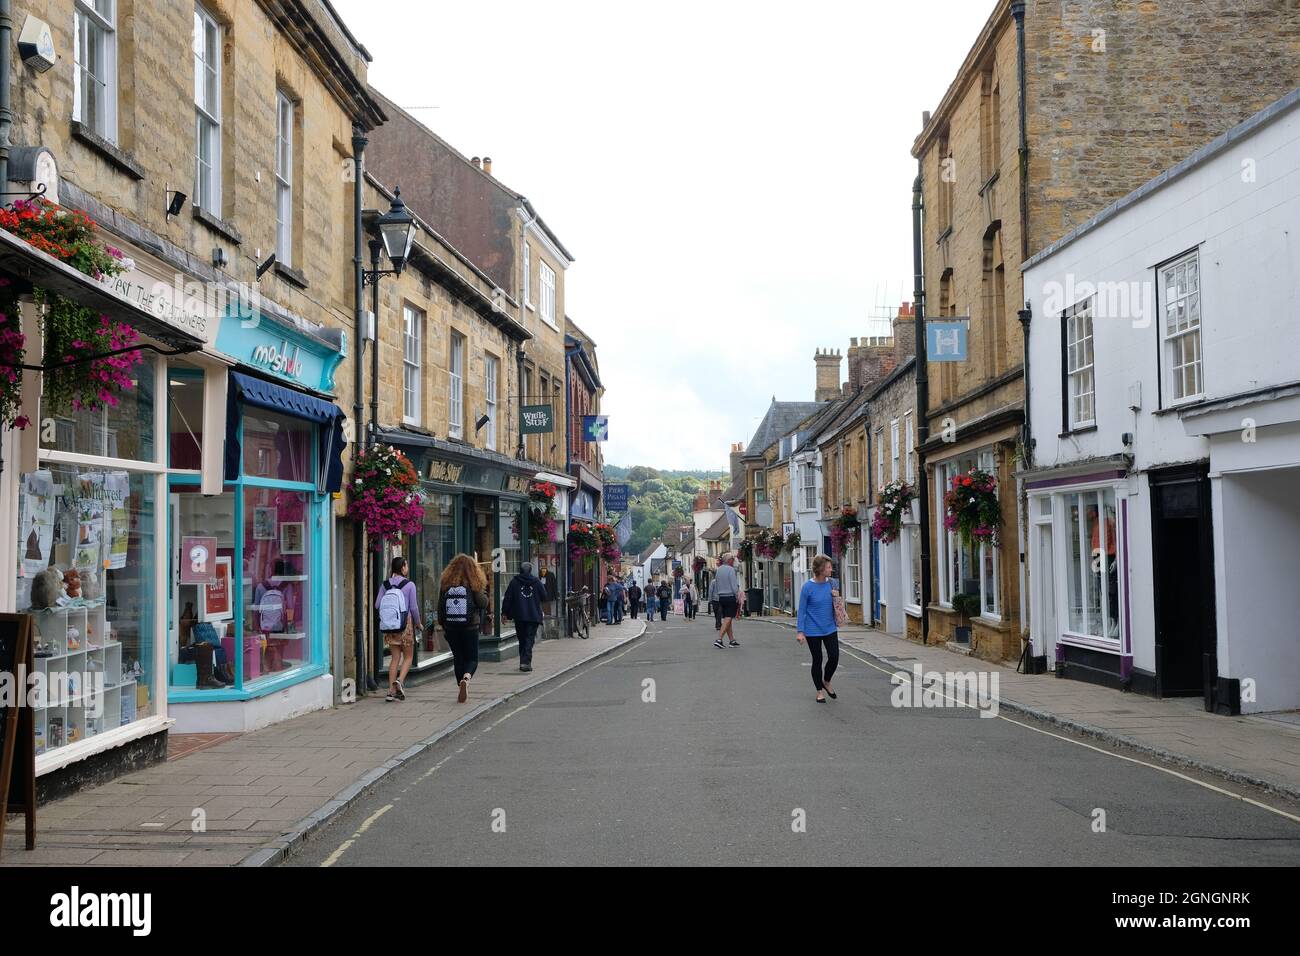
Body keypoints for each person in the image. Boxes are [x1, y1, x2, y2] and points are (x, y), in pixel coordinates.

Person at [437, 554, 491, 703]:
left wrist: (443, 625)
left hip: (451, 626)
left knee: (458, 657)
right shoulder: (473, 583)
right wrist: (484, 592)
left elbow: (440, 607)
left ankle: (460, 683)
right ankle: (466, 678)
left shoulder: (446, 583)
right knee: (472, 658)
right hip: (470, 626)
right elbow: (483, 603)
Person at [375, 555, 420, 702]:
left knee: (395, 658)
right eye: (406, 565)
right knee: (408, 657)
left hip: (390, 626)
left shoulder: (385, 585)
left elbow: (377, 605)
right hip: (405, 625)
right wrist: (418, 623)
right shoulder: (409, 585)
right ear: (402, 568)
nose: (407, 568)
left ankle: (390, 691)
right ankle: (399, 681)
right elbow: (413, 607)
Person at [796, 554, 840, 703]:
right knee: (818, 659)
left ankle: (826, 681)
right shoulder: (807, 587)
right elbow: (801, 610)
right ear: (821, 569)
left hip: (830, 628)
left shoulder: (832, 583)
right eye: (828, 567)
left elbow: (838, 605)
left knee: (834, 657)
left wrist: (836, 596)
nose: (831, 569)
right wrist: (800, 632)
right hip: (812, 629)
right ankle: (819, 691)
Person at [502, 561, 544, 673]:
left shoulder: (514, 582)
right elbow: (544, 596)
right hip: (533, 615)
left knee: (522, 639)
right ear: (530, 571)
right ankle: (525, 663)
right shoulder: (536, 582)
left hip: (519, 616)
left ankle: (523, 662)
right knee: (529, 639)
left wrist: (504, 613)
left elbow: (507, 598)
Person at [712, 553, 742, 648]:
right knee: (729, 617)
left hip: (721, 597)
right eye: (732, 559)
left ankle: (732, 640)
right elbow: (734, 585)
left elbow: (716, 584)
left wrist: (717, 595)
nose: (733, 561)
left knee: (727, 618)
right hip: (730, 596)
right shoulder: (731, 570)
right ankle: (719, 639)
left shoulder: (719, 570)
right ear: (729, 560)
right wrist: (737, 596)